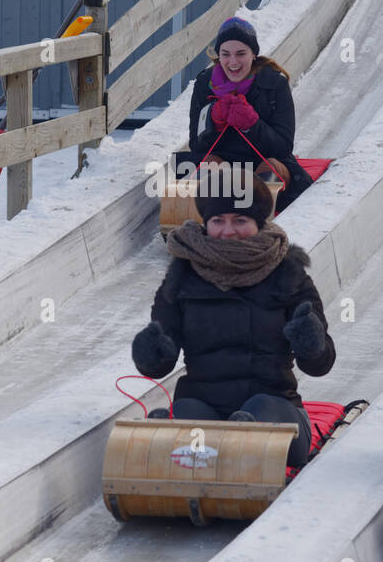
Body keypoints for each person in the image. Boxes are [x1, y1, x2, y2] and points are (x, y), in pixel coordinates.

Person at [131, 169, 335, 468]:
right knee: (189, 411)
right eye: (218, 221)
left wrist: (311, 342)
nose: (227, 231)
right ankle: (188, 440)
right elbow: (159, 365)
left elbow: (321, 365)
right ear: (206, 223)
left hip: (275, 409)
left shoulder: (287, 274)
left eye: (239, 221)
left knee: (257, 412)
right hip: (204, 402)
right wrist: (150, 351)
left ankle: (229, 440)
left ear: (259, 223)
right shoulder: (183, 278)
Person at [177, 16, 315, 212]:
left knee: (272, 168)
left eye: (241, 53)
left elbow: (283, 147)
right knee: (209, 167)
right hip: (222, 162)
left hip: (262, 162)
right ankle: (201, 216)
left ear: (253, 54)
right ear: (218, 56)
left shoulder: (275, 83)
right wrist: (213, 119)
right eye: (226, 54)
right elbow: (197, 145)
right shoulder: (205, 84)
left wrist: (251, 125)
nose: (233, 62)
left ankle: (256, 216)